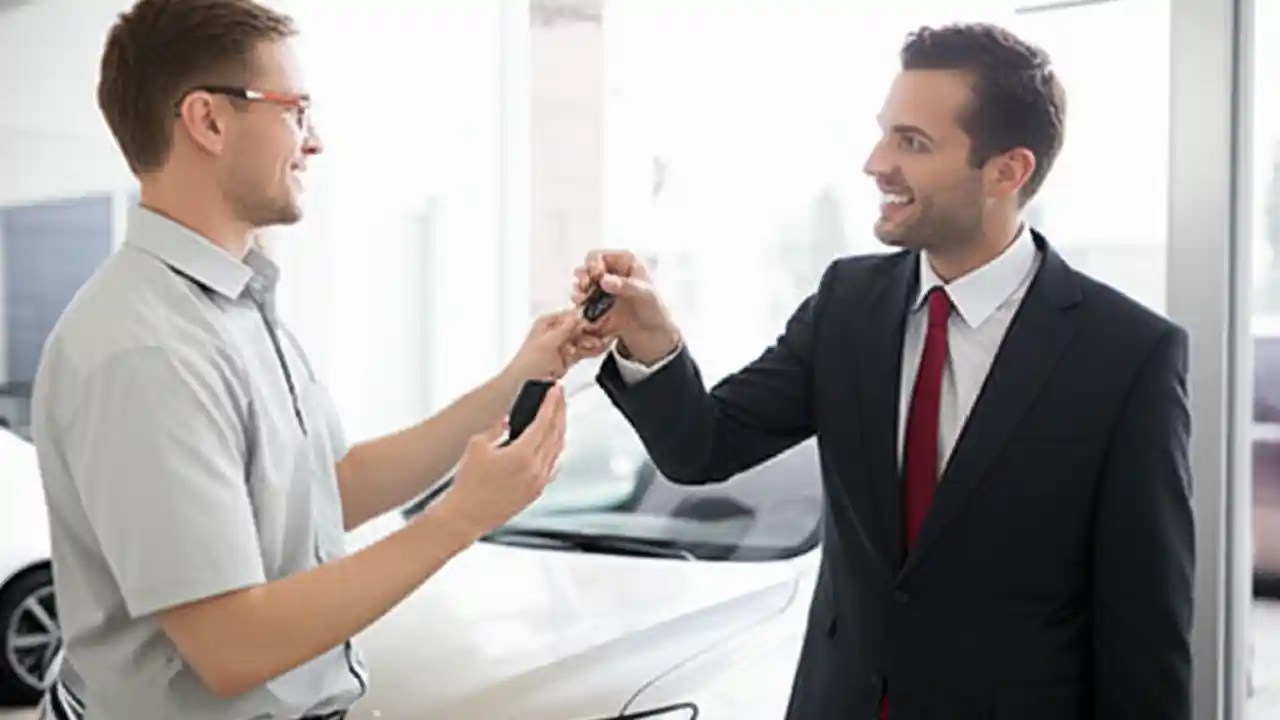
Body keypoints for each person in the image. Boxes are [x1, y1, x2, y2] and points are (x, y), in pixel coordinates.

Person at [572, 22, 1194, 720]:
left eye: (912, 143)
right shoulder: (848, 304)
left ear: (1007, 172)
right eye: (885, 133)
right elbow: (703, 448)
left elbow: (1146, 636)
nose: (875, 162)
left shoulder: (1128, 356)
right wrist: (653, 344)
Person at [30, 1, 607, 717]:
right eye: (296, 110)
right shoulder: (143, 349)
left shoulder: (233, 304)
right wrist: (460, 519)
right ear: (207, 120)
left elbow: (330, 488)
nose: (316, 141)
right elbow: (231, 645)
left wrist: (519, 378)